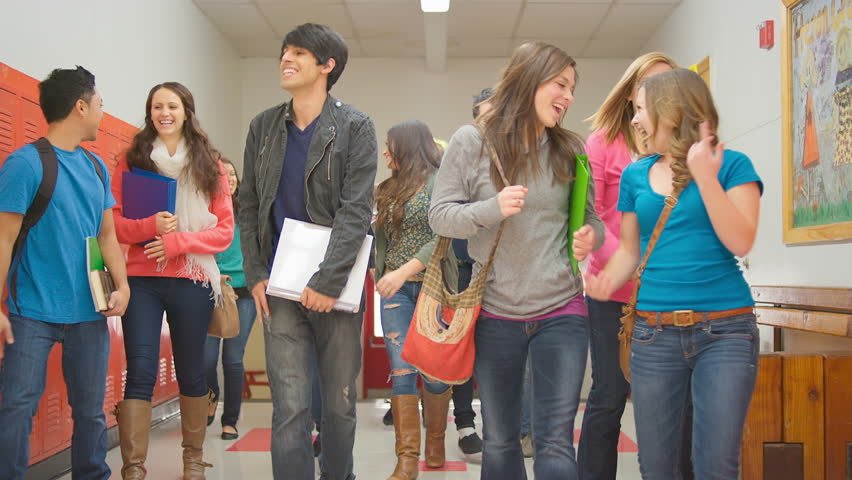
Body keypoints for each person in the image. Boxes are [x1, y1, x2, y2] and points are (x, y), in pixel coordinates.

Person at [430, 42, 605, 480]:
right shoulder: (472, 141)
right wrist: (492, 208)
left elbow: (591, 218)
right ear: (529, 79)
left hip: (562, 309)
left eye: (572, 88)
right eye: (560, 84)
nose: (568, 96)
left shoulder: (569, 147)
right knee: (501, 439)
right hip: (494, 313)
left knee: (555, 439)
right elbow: (440, 216)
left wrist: (590, 236)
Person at [584, 68, 763, 479]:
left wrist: (704, 176)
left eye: (641, 109)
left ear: (671, 111)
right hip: (653, 333)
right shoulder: (635, 173)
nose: (633, 120)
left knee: (715, 464)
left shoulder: (732, 165)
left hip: (726, 331)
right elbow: (631, 248)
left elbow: (741, 241)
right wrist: (607, 280)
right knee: (658, 466)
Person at [239, 23, 377, 480]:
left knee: (338, 407)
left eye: (298, 52)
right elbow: (250, 205)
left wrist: (326, 281)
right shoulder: (263, 126)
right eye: (284, 51)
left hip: (334, 285)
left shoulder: (355, 126)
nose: (286, 59)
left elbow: (356, 211)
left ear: (327, 65)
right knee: (291, 408)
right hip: (279, 284)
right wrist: (255, 273)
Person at [0, 66, 130, 480]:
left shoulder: (95, 167)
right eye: (99, 104)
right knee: (17, 406)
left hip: (88, 313)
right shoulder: (24, 164)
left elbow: (107, 235)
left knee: (91, 411)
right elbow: (3, 239)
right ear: (80, 106)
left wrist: (123, 285)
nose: (101, 112)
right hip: (31, 311)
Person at [111, 82, 234, 479]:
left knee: (191, 370)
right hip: (141, 279)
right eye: (157, 106)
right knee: (142, 368)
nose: (164, 113)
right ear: (149, 113)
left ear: (186, 112)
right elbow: (112, 224)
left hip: (191, 276)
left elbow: (225, 231)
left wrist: (177, 242)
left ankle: (193, 461)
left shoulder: (209, 164)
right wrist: (149, 226)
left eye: (172, 106)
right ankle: (134, 468)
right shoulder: (131, 159)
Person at [577, 52, 681, 480]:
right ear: (631, 91)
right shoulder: (602, 142)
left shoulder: (680, 146)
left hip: (670, 293)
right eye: (647, 87)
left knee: (673, 402)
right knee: (608, 397)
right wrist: (633, 262)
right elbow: (593, 215)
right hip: (616, 294)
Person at [374, 120, 456, 479]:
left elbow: (442, 237)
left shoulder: (441, 182)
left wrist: (403, 271)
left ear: (407, 147)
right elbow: (380, 239)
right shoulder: (385, 188)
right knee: (401, 370)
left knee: (435, 373)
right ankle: (407, 459)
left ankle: (435, 439)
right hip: (394, 291)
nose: (384, 152)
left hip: (432, 286)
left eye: (389, 145)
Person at [204, 155, 256, 441]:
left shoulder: (248, 212)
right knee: (206, 359)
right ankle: (211, 397)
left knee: (233, 359)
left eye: (233, 174)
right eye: (225, 174)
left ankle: (230, 420)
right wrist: (213, 274)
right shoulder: (206, 211)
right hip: (210, 289)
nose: (230, 178)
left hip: (243, 293)